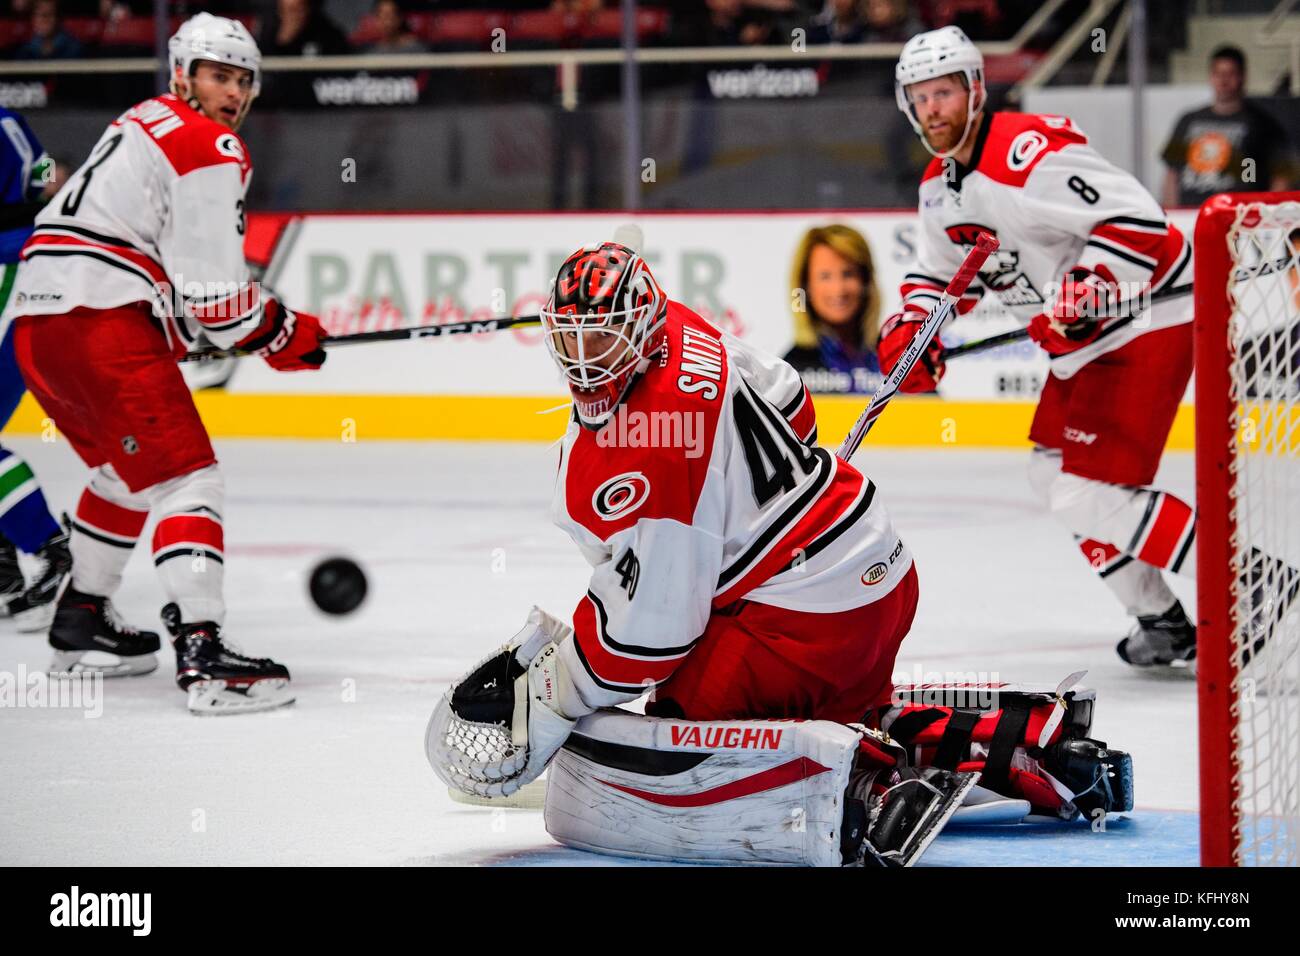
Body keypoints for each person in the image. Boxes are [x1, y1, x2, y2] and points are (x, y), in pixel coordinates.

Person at [426, 241, 1132, 866]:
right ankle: (1018, 742)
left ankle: (871, 785)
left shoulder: (642, 450)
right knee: (837, 708)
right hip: (874, 573)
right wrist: (757, 500)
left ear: (639, 330)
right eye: (572, 341)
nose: (586, 364)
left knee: (681, 733)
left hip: (804, 621)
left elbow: (651, 637)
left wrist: (557, 693)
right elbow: (794, 405)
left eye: (602, 343)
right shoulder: (684, 325)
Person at [9, 13, 329, 714]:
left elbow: (173, 284)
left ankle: (81, 620)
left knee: (126, 472)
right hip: (96, 319)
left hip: (38, 321)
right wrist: (282, 333)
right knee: (188, 476)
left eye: (244, 81)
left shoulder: (142, 121)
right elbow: (217, 299)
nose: (234, 94)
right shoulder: (208, 142)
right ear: (183, 74)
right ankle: (206, 654)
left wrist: (226, 325)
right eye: (220, 75)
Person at [881, 26, 1197, 668]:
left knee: (1088, 491)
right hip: (1085, 341)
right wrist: (916, 328)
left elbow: (1138, 222)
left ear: (975, 90)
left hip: (1147, 313)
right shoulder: (939, 188)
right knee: (1052, 473)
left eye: (944, 92)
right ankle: (1162, 619)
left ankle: (1257, 585)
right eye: (920, 97)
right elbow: (938, 275)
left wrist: (1090, 290)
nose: (932, 109)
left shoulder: (1027, 153)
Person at [0, 105, 70, 632]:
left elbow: (45, 177)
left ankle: (53, 552)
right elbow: (49, 175)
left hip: (7, 266)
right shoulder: (10, 121)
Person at [1161, 46, 1295, 209]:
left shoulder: (1261, 124)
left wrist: (1264, 214)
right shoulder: (1188, 120)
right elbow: (1172, 174)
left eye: (1230, 74)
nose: (1223, 80)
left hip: (1238, 215)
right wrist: (1171, 214)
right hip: (1191, 213)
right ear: (1211, 77)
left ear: (1242, 77)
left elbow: (1282, 176)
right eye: (1218, 74)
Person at [783, 223, 883, 394]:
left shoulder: (891, 356)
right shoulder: (790, 370)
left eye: (848, 274)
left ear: (866, 282)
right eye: (825, 276)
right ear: (805, 286)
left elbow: (931, 413)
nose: (838, 290)